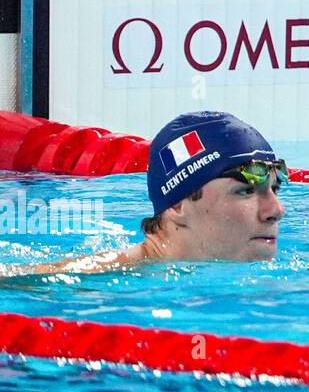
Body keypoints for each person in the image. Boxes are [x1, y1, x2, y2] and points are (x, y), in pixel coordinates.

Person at [0, 111, 285, 278]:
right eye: (246, 191)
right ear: (176, 204)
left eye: (275, 188)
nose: (275, 210)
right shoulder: (92, 278)